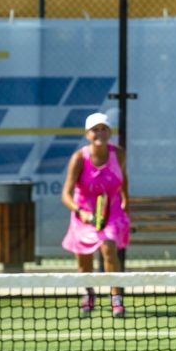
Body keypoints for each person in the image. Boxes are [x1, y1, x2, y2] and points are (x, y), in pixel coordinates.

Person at [61, 112, 131, 318]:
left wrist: (126, 199)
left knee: (108, 247)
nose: (99, 133)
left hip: (111, 210)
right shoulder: (78, 159)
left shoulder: (118, 154)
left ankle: (116, 298)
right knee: (84, 262)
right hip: (83, 212)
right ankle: (88, 294)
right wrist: (79, 211)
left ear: (109, 132)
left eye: (104, 129)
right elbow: (66, 194)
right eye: (95, 129)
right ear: (87, 134)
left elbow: (123, 177)